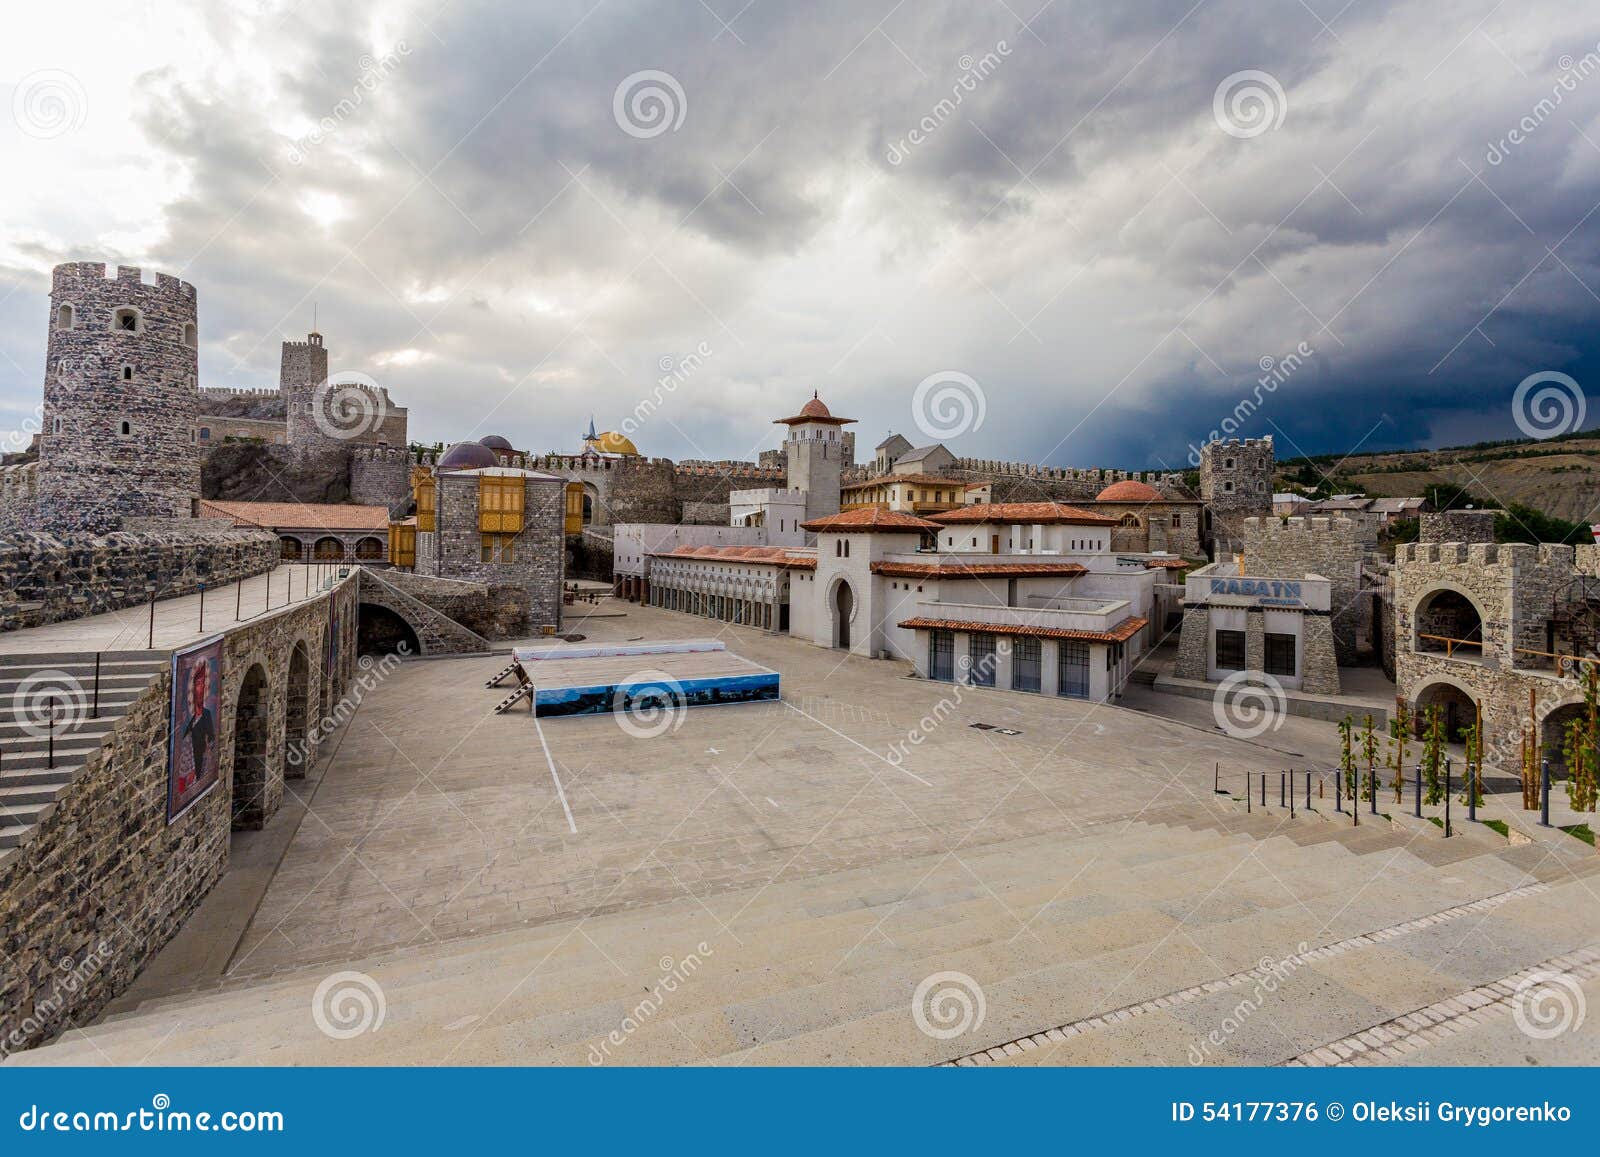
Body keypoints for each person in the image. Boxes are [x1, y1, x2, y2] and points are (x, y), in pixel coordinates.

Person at [179, 660, 216, 793]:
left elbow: (212, 739)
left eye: (203, 684)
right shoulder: (188, 718)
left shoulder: (206, 715)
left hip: (201, 764)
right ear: (193, 688)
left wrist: (208, 746)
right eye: (198, 684)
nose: (201, 688)